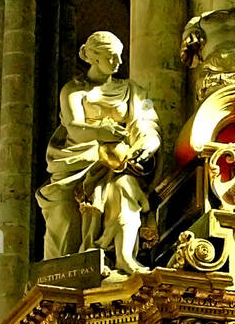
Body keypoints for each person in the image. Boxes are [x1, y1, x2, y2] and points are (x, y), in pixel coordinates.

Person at [36, 30, 160, 276]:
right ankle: (66, 271)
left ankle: (125, 258)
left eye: (120, 56)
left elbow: (147, 122)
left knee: (125, 191)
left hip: (119, 162)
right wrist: (104, 130)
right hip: (77, 161)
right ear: (93, 57)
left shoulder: (133, 91)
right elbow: (74, 127)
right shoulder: (73, 91)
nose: (119, 63)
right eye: (111, 57)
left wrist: (149, 143)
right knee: (64, 209)